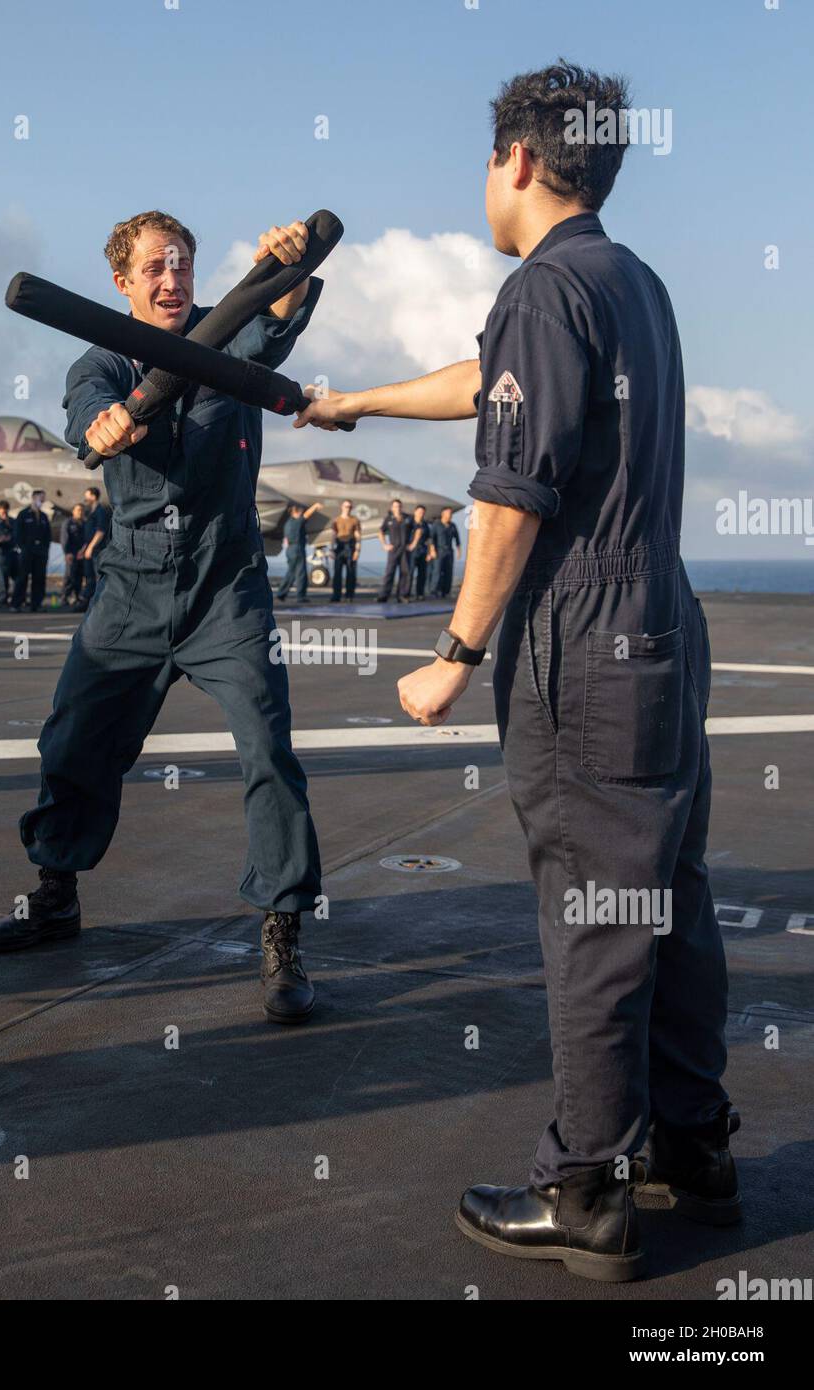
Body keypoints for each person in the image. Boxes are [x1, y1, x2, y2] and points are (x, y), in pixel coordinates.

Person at [296, 61, 733, 1280]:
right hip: (661, 624)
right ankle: (693, 1146)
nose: (485, 182)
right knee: (665, 899)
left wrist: (451, 653)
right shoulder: (623, 281)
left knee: (593, 911)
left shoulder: (546, 292)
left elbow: (508, 498)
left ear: (521, 162)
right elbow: (489, 385)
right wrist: (361, 405)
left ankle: (585, 1185)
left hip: (584, 641)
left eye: (488, 160)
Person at [0, 211, 324, 1025]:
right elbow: (85, 416)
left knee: (268, 748)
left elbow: (266, 340)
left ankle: (282, 926)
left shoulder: (221, 337)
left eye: (181, 267)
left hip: (224, 586)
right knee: (72, 740)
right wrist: (104, 424)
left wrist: (286, 278)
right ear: (122, 284)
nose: (171, 282)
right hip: (129, 589)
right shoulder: (95, 361)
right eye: (153, 270)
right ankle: (56, 893)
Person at [11, 489, 52, 612]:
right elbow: (18, 533)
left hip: (40, 553)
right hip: (27, 551)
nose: (42, 501)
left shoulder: (44, 516)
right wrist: (24, 548)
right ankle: (16, 604)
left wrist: (45, 550)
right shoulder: (23, 514)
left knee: (39, 578)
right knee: (22, 578)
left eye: (43, 499)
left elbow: (47, 535)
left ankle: (36, 604)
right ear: (34, 498)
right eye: (41, 498)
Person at [75, 485, 113, 610]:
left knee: (98, 576)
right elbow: (89, 533)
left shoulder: (100, 511)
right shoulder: (90, 511)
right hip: (89, 550)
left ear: (93, 496)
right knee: (89, 577)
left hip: (97, 550)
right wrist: (84, 548)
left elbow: (100, 532)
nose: (85, 498)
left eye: (87, 495)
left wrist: (91, 548)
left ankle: (100, 603)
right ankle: (88, 602)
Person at [276, 501, 321, 603]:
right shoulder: (296, 522)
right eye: (300, 511)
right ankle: (300, 596)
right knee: (301, 573)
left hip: (290, 550)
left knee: (291, 572)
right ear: (295, 512)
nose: (301, 512)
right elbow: (306, 516)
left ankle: (281, 593)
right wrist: (315, 506)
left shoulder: (288, 523)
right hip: (297, 549)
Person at [376, 498, 411, 603]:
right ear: (392, 508)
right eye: (395, 506)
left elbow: (418, 529)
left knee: (405, 572)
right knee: (389, 572)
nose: (398, 508)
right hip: (393, 549)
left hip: (404, 549)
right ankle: (384, 595)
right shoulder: (389, 519)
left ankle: (402, 595)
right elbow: (380, 531)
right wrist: (384, 545)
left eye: (399, 506)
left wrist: (413, 544)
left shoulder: (408, 518)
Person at [330, 498, 361, 602]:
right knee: (337, 573)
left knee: (351, 573)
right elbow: (333, 535)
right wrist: (331, 549)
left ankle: (349, 595)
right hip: (339, 547)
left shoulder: (355, 520)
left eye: (350, 507)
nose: (348, 509)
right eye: (346, 506)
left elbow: (358, 536)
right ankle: (336, 595)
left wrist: (357, 550)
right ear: (342, 507)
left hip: (350, 547)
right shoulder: (336, 520)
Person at [429, 506, 461, 597]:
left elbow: (457, 539)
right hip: (439, 551)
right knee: (437, 571)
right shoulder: (436, 524)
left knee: (448, 572)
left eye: (451, 513)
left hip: (449, 551)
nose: (450, 515)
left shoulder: (452, 525)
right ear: (443, 514)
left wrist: (459, 551)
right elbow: (431, 538)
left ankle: (446, 591)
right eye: (448, 513)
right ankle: (434, 591)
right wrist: (432, 550)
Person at [60, 503, 86, 606]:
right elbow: (64, 539)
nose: (80, 512)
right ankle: (64, 597)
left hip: (82, 554)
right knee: (69, 576)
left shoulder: (85, 523)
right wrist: (67, 553)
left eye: (82, 510)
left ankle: (76, 596)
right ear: (73, 511)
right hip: (71, 554)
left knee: (79, 576)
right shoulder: (68, 523)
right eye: (78, 510)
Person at [405, 503, 431, 600]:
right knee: (410, 573)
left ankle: (420, 594)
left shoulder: (425, 524)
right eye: (419, 512)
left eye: (423, 512)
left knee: (422, 574)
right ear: (415, 512)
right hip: (411, 552)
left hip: (422, 551)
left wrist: (429, 552)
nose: (421, 514)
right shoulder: (409, 522)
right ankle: (406, 594)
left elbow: (429, 539)